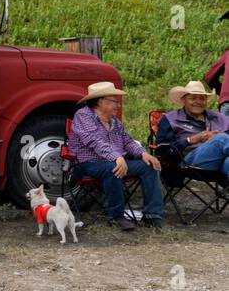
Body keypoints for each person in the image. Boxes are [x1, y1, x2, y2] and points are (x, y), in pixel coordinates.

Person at [67, 81, 164, 230]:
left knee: (150, 165)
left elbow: (128, 141)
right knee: (114, 168)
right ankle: (116, 216)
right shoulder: (83, 115)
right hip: (86, 164)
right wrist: (116, 157)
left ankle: (152, 215)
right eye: (114, 101)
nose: (118, 105)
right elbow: (94, 141)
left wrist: (143, 153)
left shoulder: (114, 121)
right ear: (101, 102)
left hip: (116, 161)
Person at [156, 80, 229, 176]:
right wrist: (190, 140)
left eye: (202, 99)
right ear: (183, 100)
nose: (198, 102)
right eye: (193, 98)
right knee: (221, 139)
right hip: (189, 161)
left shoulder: (219, 118)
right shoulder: (171, 119)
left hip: (218, 160)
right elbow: (164, 152)